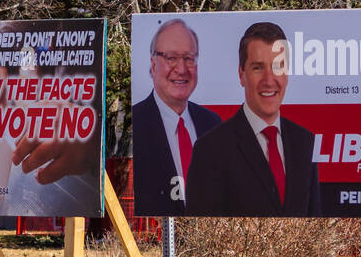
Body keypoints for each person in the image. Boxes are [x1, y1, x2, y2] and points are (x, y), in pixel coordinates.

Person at [186, 21, 320, 216]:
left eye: (277, 67)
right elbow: (201, 231)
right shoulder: (210, 150)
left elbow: (314, 219)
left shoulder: (305, 142)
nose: (269, 80)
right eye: (258, 68)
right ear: (241, 75)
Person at [133, 18, 222, 215]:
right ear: (153, 64)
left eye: (189, 58)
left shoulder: (213, 124)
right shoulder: (135, 123)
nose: (181, 69)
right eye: (171, 58)